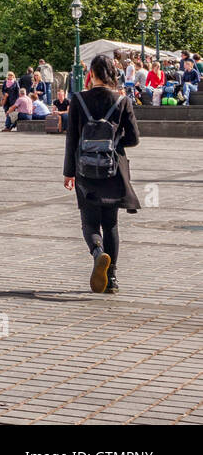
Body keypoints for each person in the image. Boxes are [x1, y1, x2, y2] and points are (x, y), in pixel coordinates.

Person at [65, 53, 141, 294]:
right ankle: (113, 278)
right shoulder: (122, 101)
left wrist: (69, 172)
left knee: (89, 222)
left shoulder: (78, 99)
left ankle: (98, 252)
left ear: (92, 75)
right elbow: (134, 138)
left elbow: (72, 139)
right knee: (111, 224)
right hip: (112, 170)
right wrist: (113, 140)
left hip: (85, 170)